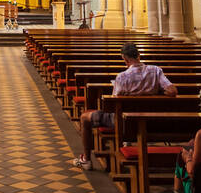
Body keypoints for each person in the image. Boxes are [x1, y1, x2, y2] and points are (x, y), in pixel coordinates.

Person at [72, 42, 176, 170]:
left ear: (125, 59)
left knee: (84, 117)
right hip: (151, 120)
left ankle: (86, 160)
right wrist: (159, 91)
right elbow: (172, 91)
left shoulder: (122, 77)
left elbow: (112, 104)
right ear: (139, 55)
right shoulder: (156, 71)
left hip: (124, 123)